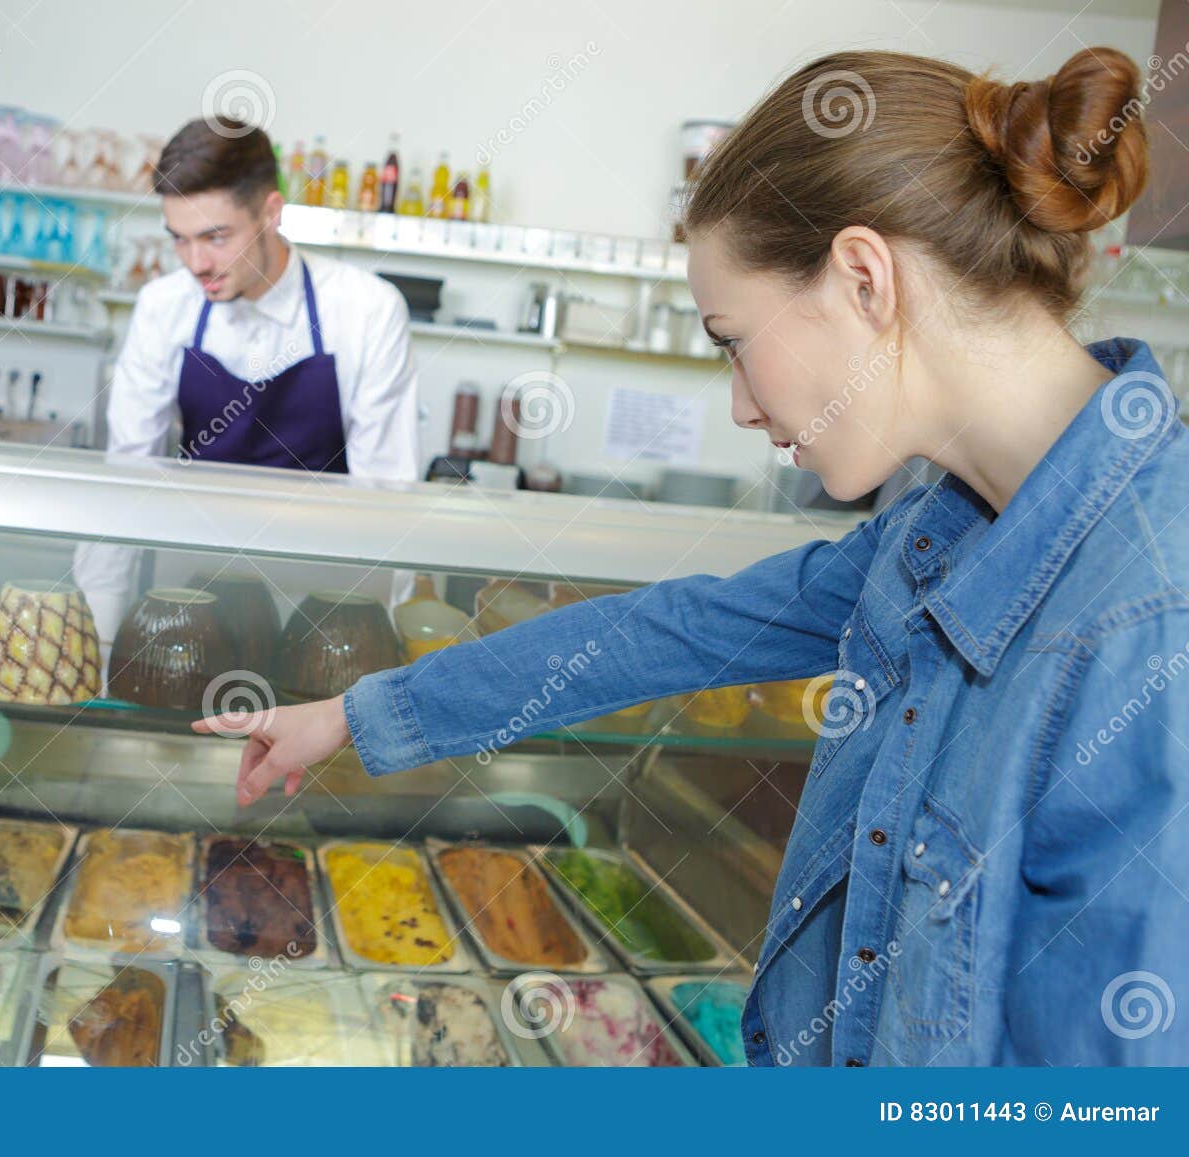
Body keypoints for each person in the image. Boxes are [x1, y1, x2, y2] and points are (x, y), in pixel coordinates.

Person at [197, 47, 1189, 1067]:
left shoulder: (1150, 618)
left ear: (862, 278)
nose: (742, 404)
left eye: (729, 338)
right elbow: (674, 630)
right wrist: (354, 715)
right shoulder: (942, 529)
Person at [75, 116, 421, 644]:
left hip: (324, 615)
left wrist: (386, 646)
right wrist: (96, 640)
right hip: (192, 605)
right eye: (180, 240)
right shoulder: (163, 307)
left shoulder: (366, 309)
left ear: (271, 213)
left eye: (215, 237)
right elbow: (128, 476)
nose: (196, 263)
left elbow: (386, 499)